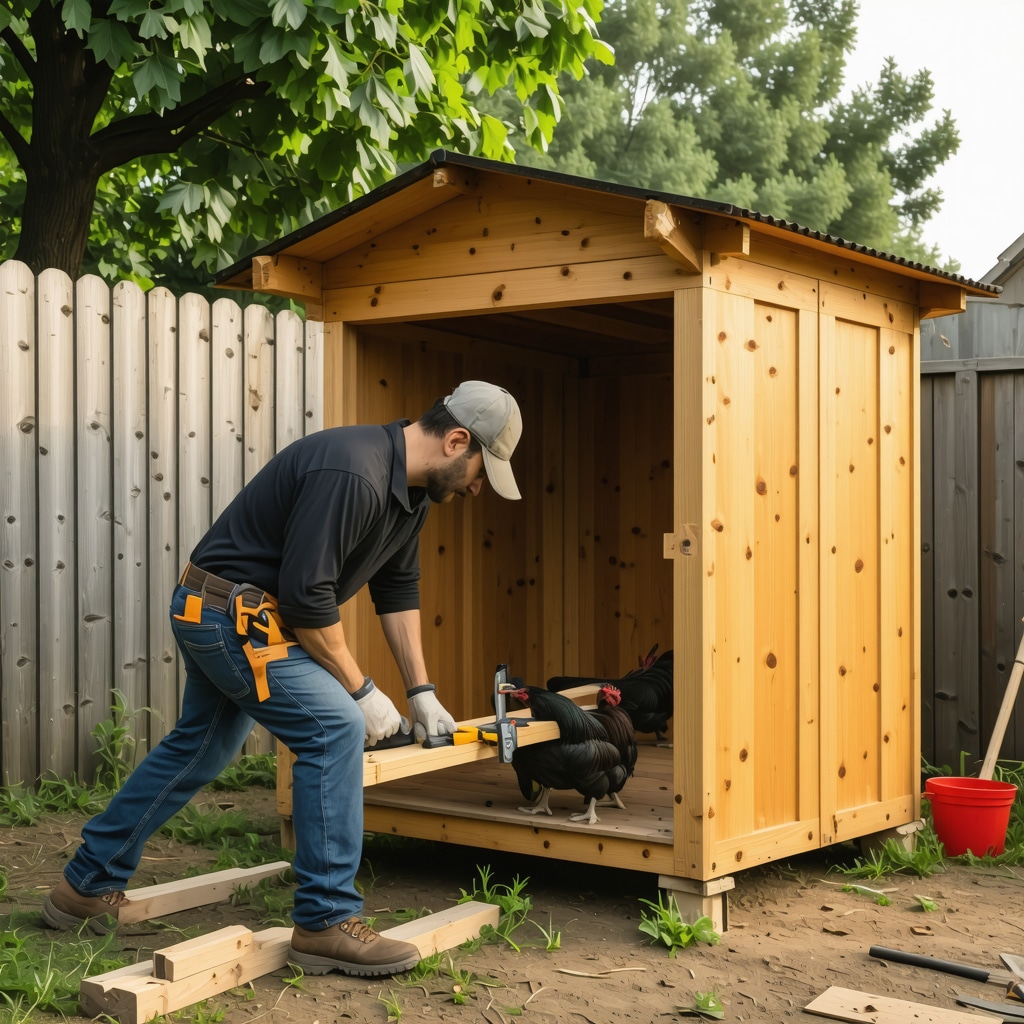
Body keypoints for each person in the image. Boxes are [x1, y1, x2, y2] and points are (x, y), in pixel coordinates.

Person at [43, 380, 523, 977]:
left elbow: (397, 589)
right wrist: (362, 692)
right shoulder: (353, 471)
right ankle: (325, 921)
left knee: (201, 747)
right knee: (334, 728)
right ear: (456, 441)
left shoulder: (412, 495)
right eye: (481, 470)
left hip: (240, 614)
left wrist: (420, 692)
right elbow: (306, 600)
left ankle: (84, 884)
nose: (478, 486)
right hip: (226, 614)